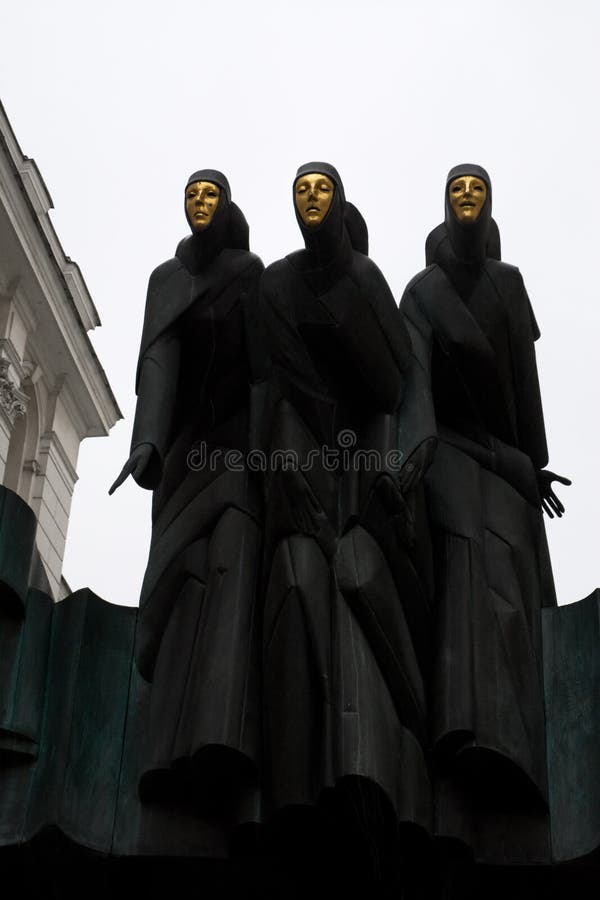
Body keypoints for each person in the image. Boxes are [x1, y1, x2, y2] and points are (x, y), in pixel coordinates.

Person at [259, 163, 435, 871]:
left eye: (322, 189)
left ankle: (366, 775)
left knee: (352, 586)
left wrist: (379, 474)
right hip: (306, 467)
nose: (311, 200)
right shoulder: (275, 286)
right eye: (300, 188)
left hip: (361, 475)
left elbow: (392, 386)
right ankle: (299, 783)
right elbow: (277, 383)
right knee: (300, 579)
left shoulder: (366, 288)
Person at [400, 163, 570, 808]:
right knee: (466, 565)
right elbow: (413, 387)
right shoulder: (420, 293)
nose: (466, 196)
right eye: (456, 189)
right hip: (446, 454)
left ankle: (517, 739)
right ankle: (459, 728)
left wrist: (533, 464)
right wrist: (413, 449)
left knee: (511, 575)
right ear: (445, 205)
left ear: (489, 203)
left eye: (477, 188)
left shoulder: (508, 284)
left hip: (506, 462)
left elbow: (526, 384)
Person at [110, 169, 265, 817]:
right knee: (181, 582)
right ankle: (167, 748)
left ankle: (221, 734)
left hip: (236, 450)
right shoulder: (165, 281)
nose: (200, 205)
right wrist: (145, 443)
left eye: (210, 196)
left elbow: (263, 365)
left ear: (225, 207)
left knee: (229, 572)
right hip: (182, 458)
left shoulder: (250, 271)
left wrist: (263, 447)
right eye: (191, 197)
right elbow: (158, 363)